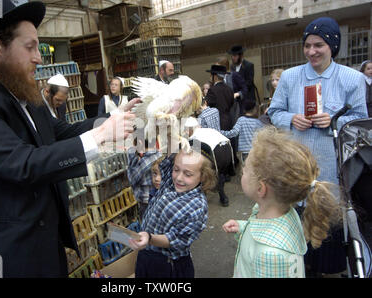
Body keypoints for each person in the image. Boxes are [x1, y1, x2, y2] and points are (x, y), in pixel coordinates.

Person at [0, 0, 137, 278]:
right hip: (2, 258)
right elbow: (20, 164)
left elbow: (59, 133)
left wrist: (110, 121)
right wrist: (101, 135)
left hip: (42, 247)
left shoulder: (26, 95)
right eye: (29, 47)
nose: (39, 58)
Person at [268, 17, 368, 276]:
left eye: (319, 45)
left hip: (332, 172)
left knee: (329, 236)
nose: (311, 51)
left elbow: (361, 122)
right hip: (295, 168)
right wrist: (291, 118)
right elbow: (273, 111)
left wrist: (335, 120)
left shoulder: (352, 79)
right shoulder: (290, 77)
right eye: (307, 45)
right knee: (296, 232)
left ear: (332, 46)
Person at [223, 126, 342, 278]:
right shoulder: (283, 214)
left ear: (261, 188)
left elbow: (266, 246)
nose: (242, 170)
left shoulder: (271, 255)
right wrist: (242, 228)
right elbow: (265, 233)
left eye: (245, 168)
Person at [128, 141, 218, 278]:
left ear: (203, 177)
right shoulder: (170, 183)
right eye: (176, 170)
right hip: (146, 254)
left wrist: (149, 238)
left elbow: (175, 239)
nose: (179, 178)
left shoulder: (196, 206)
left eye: (188, 174)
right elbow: (168, 160)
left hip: (167, 265)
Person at [127, 143, 162, 221]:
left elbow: (132, 178)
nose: (156, 179)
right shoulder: (158, 154)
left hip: (147, 202)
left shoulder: (147, 159)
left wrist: (132, 156)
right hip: (151, 197)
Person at [228, 45, 256, 111]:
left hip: (247, 98)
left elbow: (249, 82)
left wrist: (239, 92)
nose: (232, 58)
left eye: (235, 56)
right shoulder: (232, 67)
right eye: (232, 56)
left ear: (240, 56)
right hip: (236, 100)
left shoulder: (249, 65)